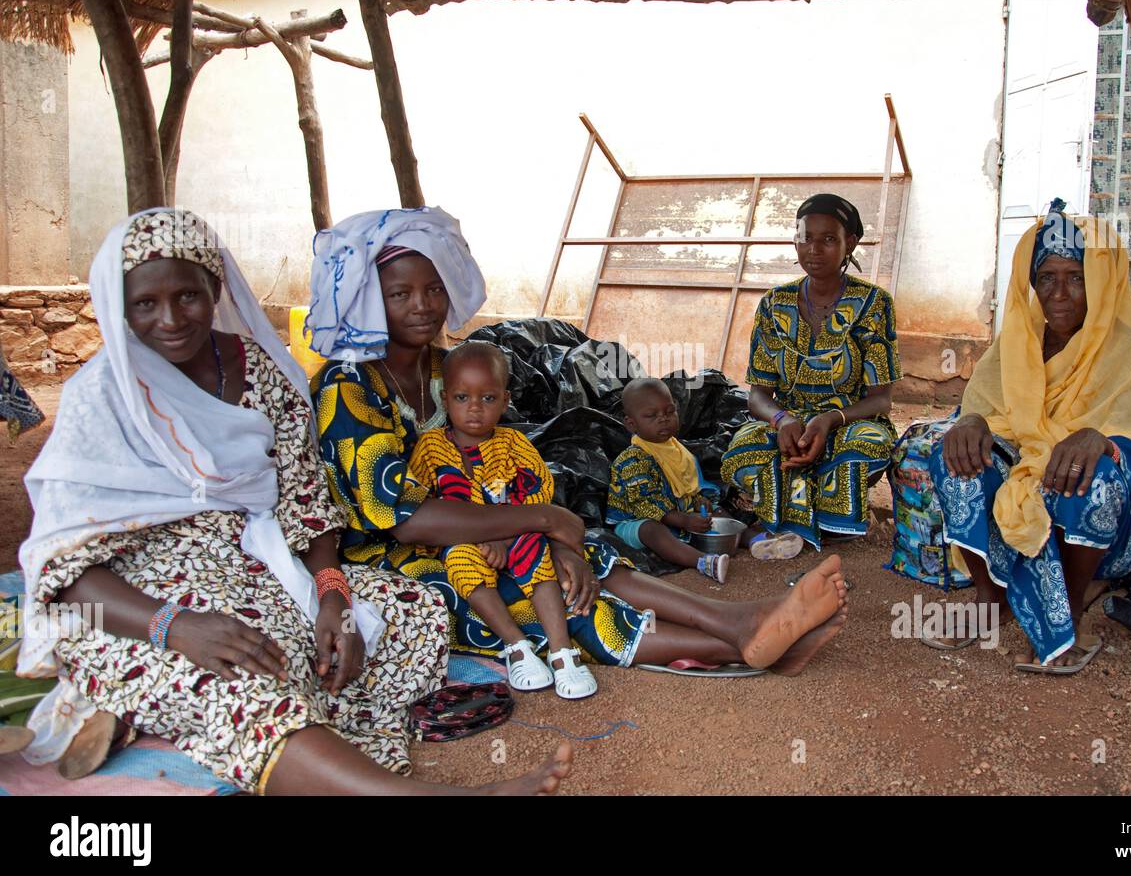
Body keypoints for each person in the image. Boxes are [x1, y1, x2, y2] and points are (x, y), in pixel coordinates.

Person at [17, 208, 572, 794]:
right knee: (241, 668)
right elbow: (67, 568)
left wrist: (331, 597)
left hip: (257, 557)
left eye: (188, 297)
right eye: (145, 305)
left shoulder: (256, 369)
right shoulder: (101, 396)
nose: (171, 319)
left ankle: (142, 708)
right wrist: (176, 627)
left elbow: (305, 502)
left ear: (216, 288)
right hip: (142, 585)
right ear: (121, 308)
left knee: (412, 613)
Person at [308, 208, 849, 678]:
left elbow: (500, 456)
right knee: (541, 594)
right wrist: (539, 521)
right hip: (397, 550)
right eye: (399, 293)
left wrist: (551, 530)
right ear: (369, 302)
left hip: (484, 518)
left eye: (433, 289)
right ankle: (746, 642)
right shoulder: (347, 390)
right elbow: (400, 516)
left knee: (585, 552)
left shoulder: (442, 368)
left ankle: (733, 620)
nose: (422, 305)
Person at [930, 199, 1131, 673]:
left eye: (1076, 278)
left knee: (1094, 473)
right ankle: (991, 597)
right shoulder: (1018, 344)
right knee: (954, 458)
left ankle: (1069, 601)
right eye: (1047, 278)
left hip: (1105, 527)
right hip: (1029, 471)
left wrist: (1102, 441)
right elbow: (985, 409)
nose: (1059, 293)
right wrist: (970, 423)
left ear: (1102, 284)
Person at [410, 341, 598, 699]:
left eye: (489, 398)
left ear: (506, 400)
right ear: (445, 398)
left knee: (535, 549)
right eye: (463, 398)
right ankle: (518, 646)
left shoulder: (513, 443)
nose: (475, 409)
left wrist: (506, 536)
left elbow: (537, 492)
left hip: (517, 534)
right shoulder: (431, 447)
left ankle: (561, 651)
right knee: (460, 559)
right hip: (462, 542)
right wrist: (482, 538)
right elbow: (421, 504)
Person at [722, 193, 901, 549]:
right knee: (742, 449)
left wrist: (830, 419)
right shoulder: (775, 304)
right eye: (805, 237)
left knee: (868, 447)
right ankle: (820, 520)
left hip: (848, 422)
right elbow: (758, 394)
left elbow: (881, 400)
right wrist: (783, 421)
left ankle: (792, 518)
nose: (813, 249)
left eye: (828, 239)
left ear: (850, 243)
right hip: (790, 425)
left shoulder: (874, 303)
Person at [608, 377, 791, 582]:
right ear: (631, 424)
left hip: (678, 512)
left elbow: (691, 486)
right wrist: (684, 520)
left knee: (718, 510)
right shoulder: (633, 460)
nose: (664, 419)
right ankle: (704, 562)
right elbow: (646, 505)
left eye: (670, 411)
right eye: (651, 415)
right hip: (636, 522)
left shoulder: (678, 450)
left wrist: (699, 500)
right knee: (652, 530)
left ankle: (754, 540)